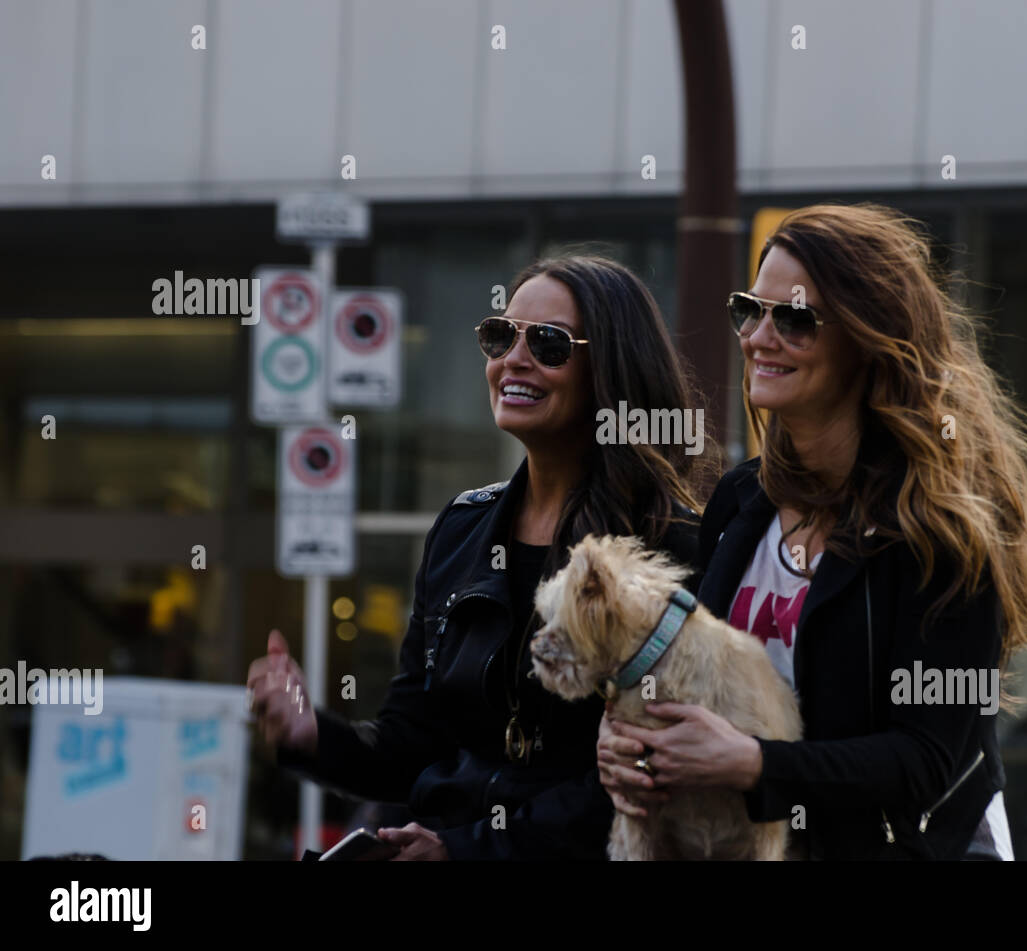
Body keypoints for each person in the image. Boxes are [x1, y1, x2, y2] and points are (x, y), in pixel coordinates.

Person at [597, 203, 1027, 860]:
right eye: (748, 310)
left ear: (866, 338)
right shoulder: (740, 499)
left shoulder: (940, 527)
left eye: (793, 318)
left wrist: (755, 766)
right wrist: (631, 737)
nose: (760, 337)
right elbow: (700, 678)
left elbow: (924, 762)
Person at [248, 254, 715, 860]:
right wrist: (311, 734)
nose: (512, 360)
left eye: (548, 344)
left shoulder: (670, 544)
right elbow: (413, 742)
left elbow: (641, 776)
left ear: (612, 370)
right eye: (500, 336)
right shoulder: (462, 529)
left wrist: (467, 849)